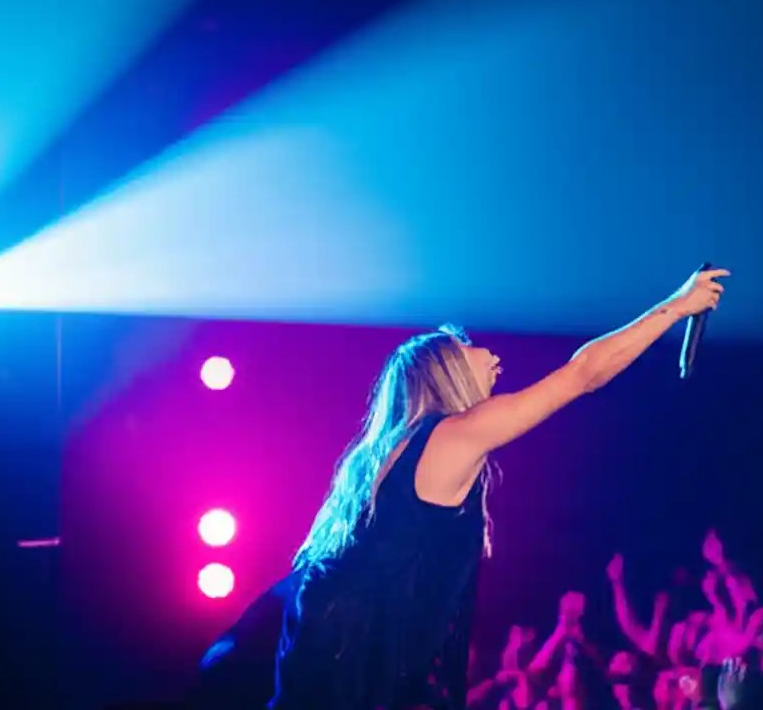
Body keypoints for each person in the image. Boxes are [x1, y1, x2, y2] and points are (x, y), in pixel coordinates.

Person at [270, 267, 729, 710]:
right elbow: (582, 374)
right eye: (466, 345)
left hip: (334, 664)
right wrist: (677, 305)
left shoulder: (387, 455)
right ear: (444, 368)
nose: (492, 355)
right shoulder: (452, 434)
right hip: (354, 675)